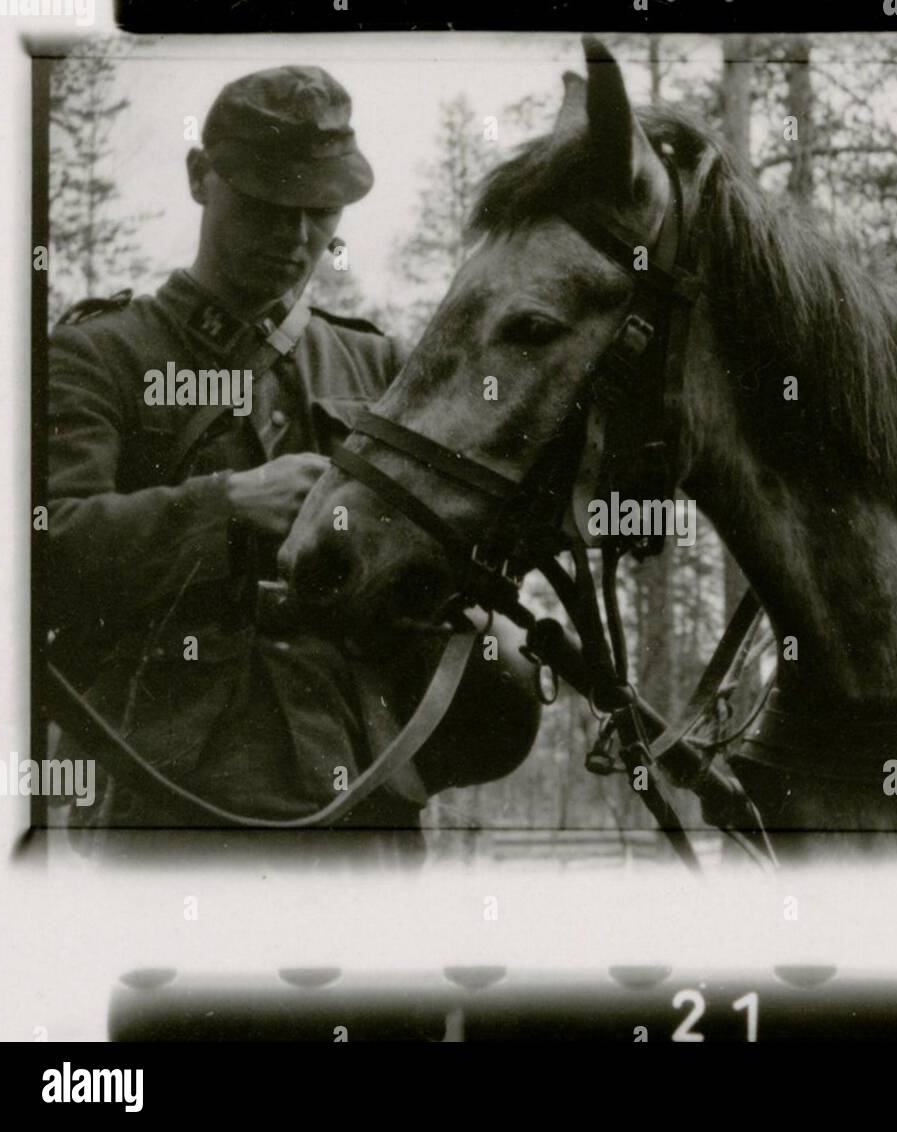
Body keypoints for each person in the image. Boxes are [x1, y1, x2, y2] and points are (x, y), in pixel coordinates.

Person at [45, 65, 540, 840]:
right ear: (200, 177)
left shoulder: (379, 370)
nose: (297, 236)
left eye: (319, 211)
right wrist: (224, 510)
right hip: (163, 797)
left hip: (362, 787)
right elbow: (42, 555)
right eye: (268, 205)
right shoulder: (97, 357)